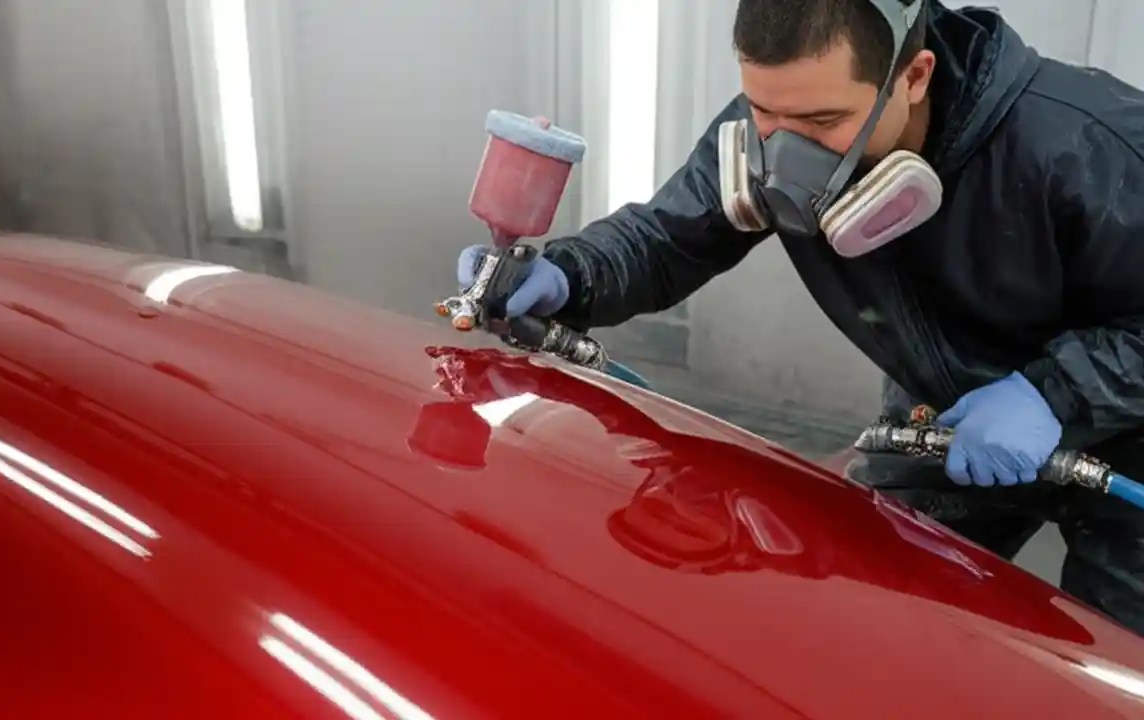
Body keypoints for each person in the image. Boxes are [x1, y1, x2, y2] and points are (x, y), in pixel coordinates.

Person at [454, 0, 1144, 634]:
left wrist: (1054, 396)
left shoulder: (1088, 143)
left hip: (1128, 429)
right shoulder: (779, 114)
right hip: (946, 416)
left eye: (823, 125)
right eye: (763, 114)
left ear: (914, 75)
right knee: (880, 618)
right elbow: (665, 239)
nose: (787, 157)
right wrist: (567, 275)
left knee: (1115, 661)